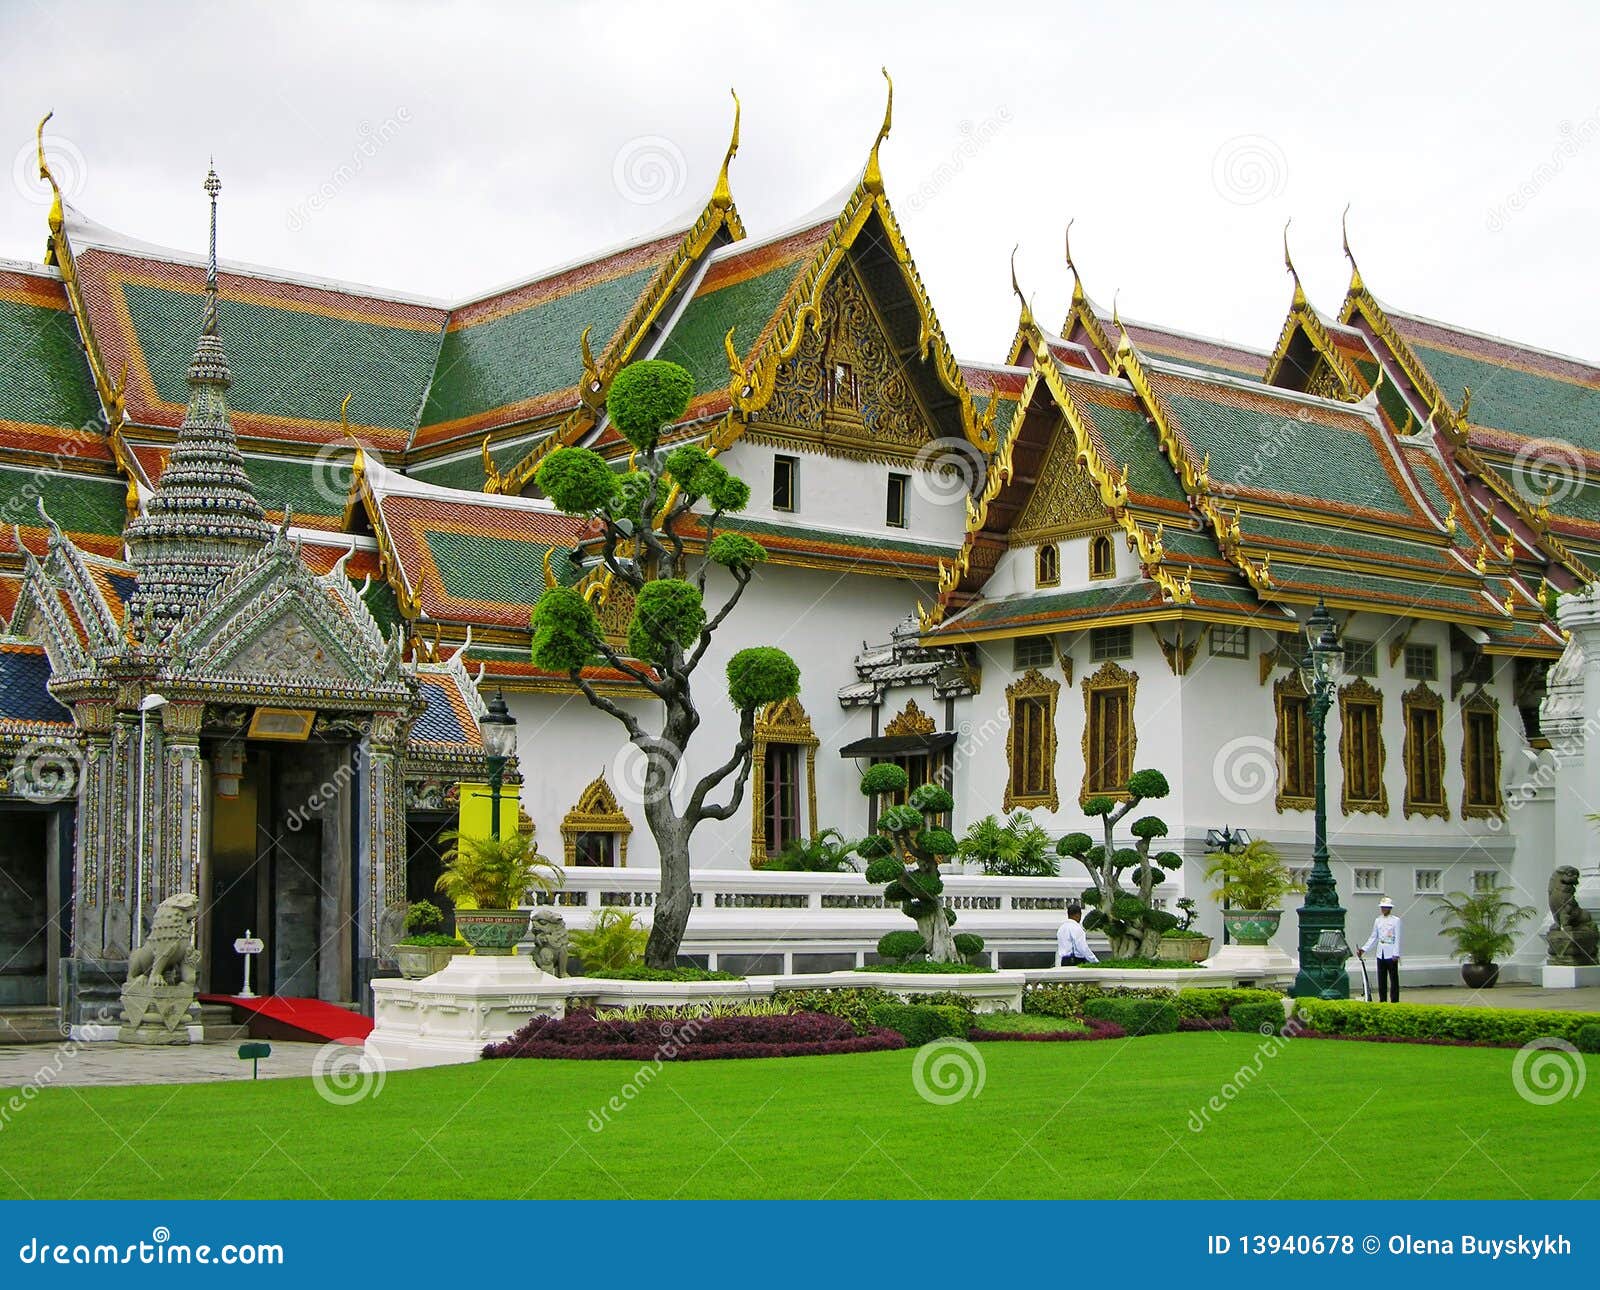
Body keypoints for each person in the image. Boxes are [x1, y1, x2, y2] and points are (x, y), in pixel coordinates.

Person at [1357, 896, 1402, 1002]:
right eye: (1382, 907)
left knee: (1393, 979)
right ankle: (1383, 1000)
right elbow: (1374, 937)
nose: (1383, 909)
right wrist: (1363, 949)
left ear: (1390, 908)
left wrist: (1396, 954)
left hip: (1391, 953)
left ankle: (1395, 1001)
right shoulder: (1378, 920)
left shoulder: (1396, 920)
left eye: (1386, 907)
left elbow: (1397, 938)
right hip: (1380, 952)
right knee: (1381, 979)